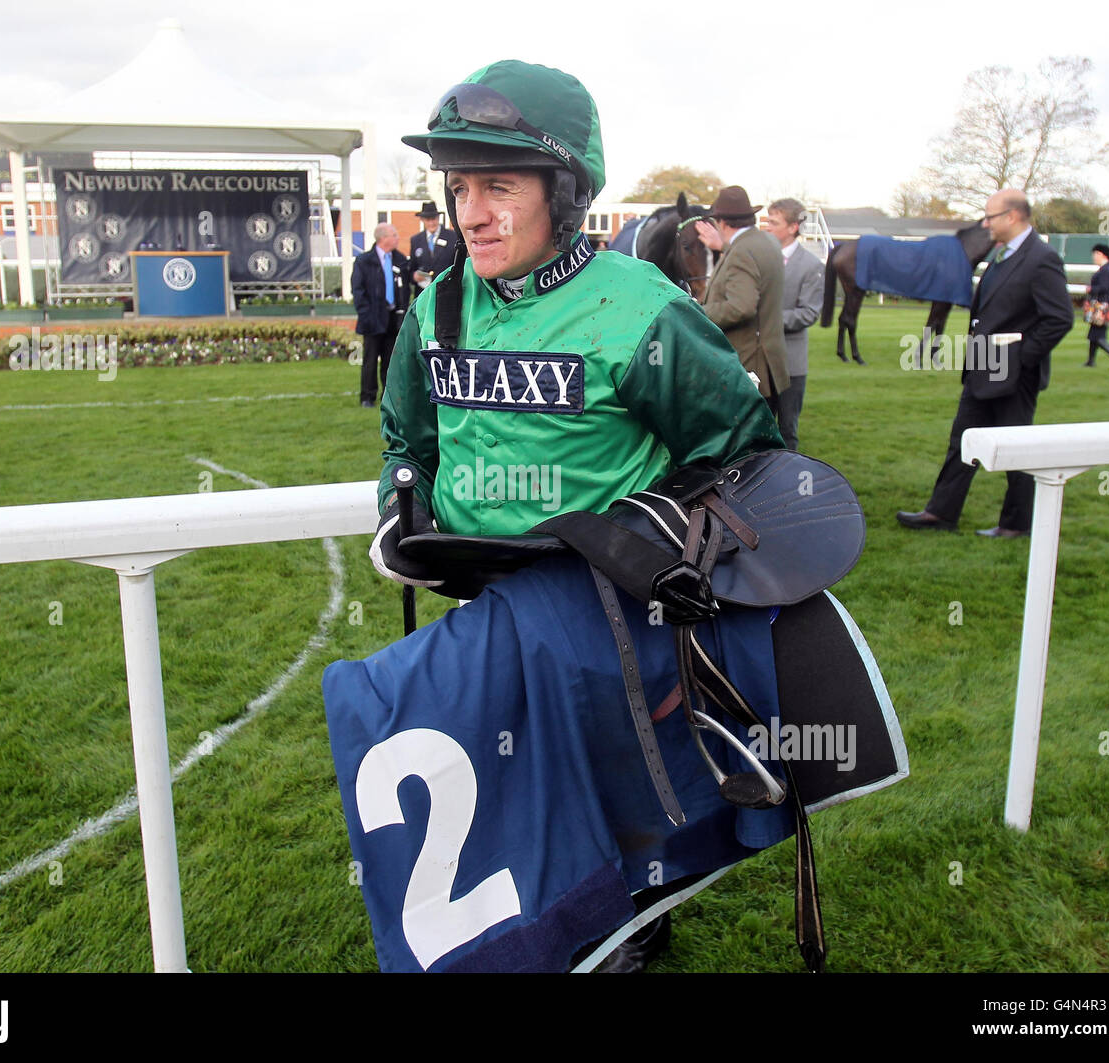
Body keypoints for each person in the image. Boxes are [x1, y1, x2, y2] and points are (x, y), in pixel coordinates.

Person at [349, 60, 789, 973]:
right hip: (481, 615)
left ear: (564, 191)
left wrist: (662, 531)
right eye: (460, 186)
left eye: (497, 186)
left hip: (608, 622)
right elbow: (406, 436)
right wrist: (401, 501)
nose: (471, 212)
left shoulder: (645, 312)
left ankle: (628, 920)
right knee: (514, 791)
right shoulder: (436, 308)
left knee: (614, 797)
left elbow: (744, 455)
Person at [896, 189, 1074, 538]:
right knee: (962, 441)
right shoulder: (1001, 254)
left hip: (1013, 374)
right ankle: (940, 513)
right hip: (982, 366)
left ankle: (1016, 524)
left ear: (1012, 216)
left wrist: (1022, 359)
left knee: (1016, 450)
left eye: (990, 216)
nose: (985, 223)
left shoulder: (1041, 258)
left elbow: (1060, 318)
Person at [695, 187, 789, 420]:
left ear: (722, 222)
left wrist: (696, 311)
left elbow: (741, 307)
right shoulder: (766, 242)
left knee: (744, 452)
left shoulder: (742, 251)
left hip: (748, 368)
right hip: (769, 367)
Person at [762, 198, 824, 452]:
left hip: (790, 365)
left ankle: (789, 487)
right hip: (759, 362)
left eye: (774, 222)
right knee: (759, 431)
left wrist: (767, 320)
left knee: (787, 430)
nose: (767, 227)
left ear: (793, 227)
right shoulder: (759, 259)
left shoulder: (811, 266)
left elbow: (809, 313)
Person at [351, 223, 409, 407]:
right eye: (394, 235)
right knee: (370, 360)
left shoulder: (400, 259)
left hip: (393, 318)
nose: (397, 238)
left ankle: (388, 396)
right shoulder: (364, 261)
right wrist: (366, 314)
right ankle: (367, 396)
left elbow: (406, 286)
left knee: (390, 361)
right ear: (383, 238)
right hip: (372, 318)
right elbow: (358, 290)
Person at [1083, 243, 1109, 370]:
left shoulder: (1106, 271)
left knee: (1097, 336)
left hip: (1102, 305)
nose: (1093, 257)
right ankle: (1091, 361)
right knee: (1094, 334)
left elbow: (1105, 287)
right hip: (1103, 304)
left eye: (1095, 254)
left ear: (1102, 255)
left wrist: (1090, 289)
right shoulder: (1107, 269)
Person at [408, 201, 457, 290]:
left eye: (433, 218)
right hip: (423, 293)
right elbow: (411, 268)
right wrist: (414, 276)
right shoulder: (415, 240)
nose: (431, 223)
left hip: (446, 291)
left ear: (438, 218)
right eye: (427, 220)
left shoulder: (452, 237)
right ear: (422, 220)